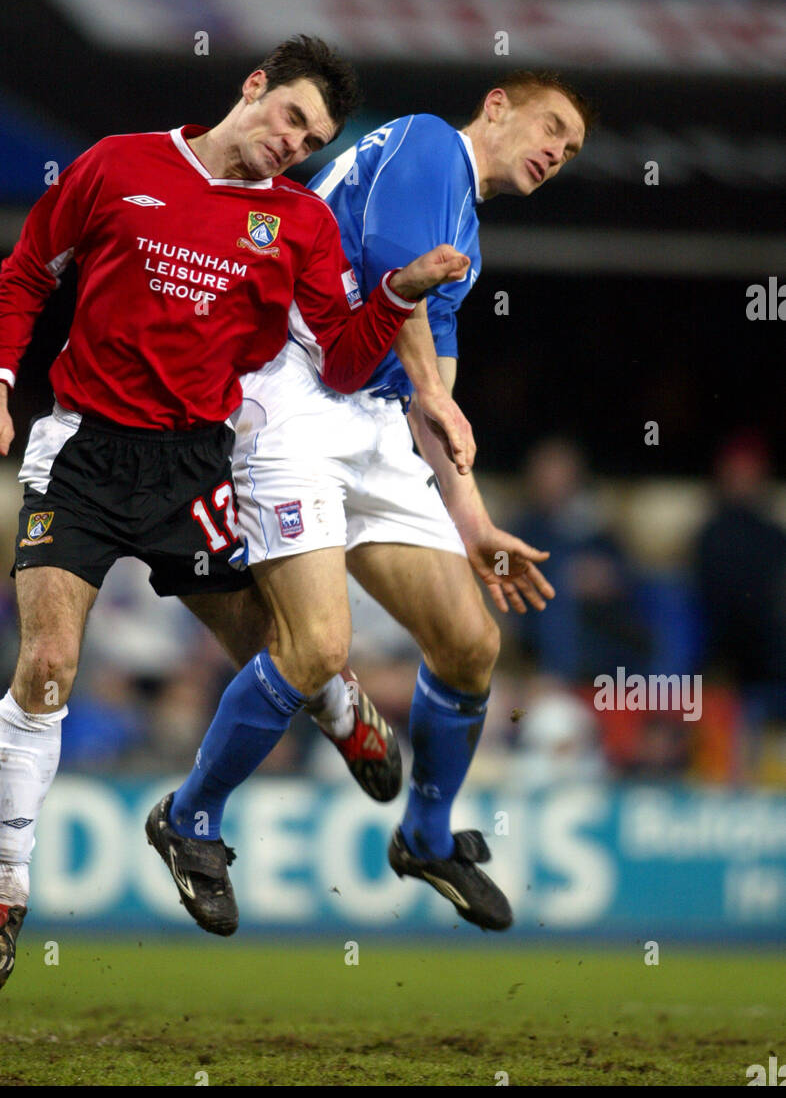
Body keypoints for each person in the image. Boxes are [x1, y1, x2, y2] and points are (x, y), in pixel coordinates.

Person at [0, 34, 471, 988]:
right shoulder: (121, 164)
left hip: (199, 463)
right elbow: (29, 272)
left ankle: (337, 703)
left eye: (314, 139)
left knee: (279, 650)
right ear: (254, 87)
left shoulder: (300, 226)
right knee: (50, 663)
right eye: (290, 118)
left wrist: (400, 291)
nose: (294, 145)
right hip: (84, 456)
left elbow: (348, 360)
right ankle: (2, 889)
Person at [153, 70, 591, 935]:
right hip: (294, 388)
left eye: (572, 151)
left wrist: (474, 525)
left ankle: (426, 837)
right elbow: (398, 280)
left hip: (373, 419)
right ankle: (191, 816)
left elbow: (439, 411)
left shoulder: (464, 226)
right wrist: (430, 388)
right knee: (315, 646)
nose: (557, 153)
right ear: (497, 104)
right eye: (552, 127)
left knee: (471, 644)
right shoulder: (432, 141)